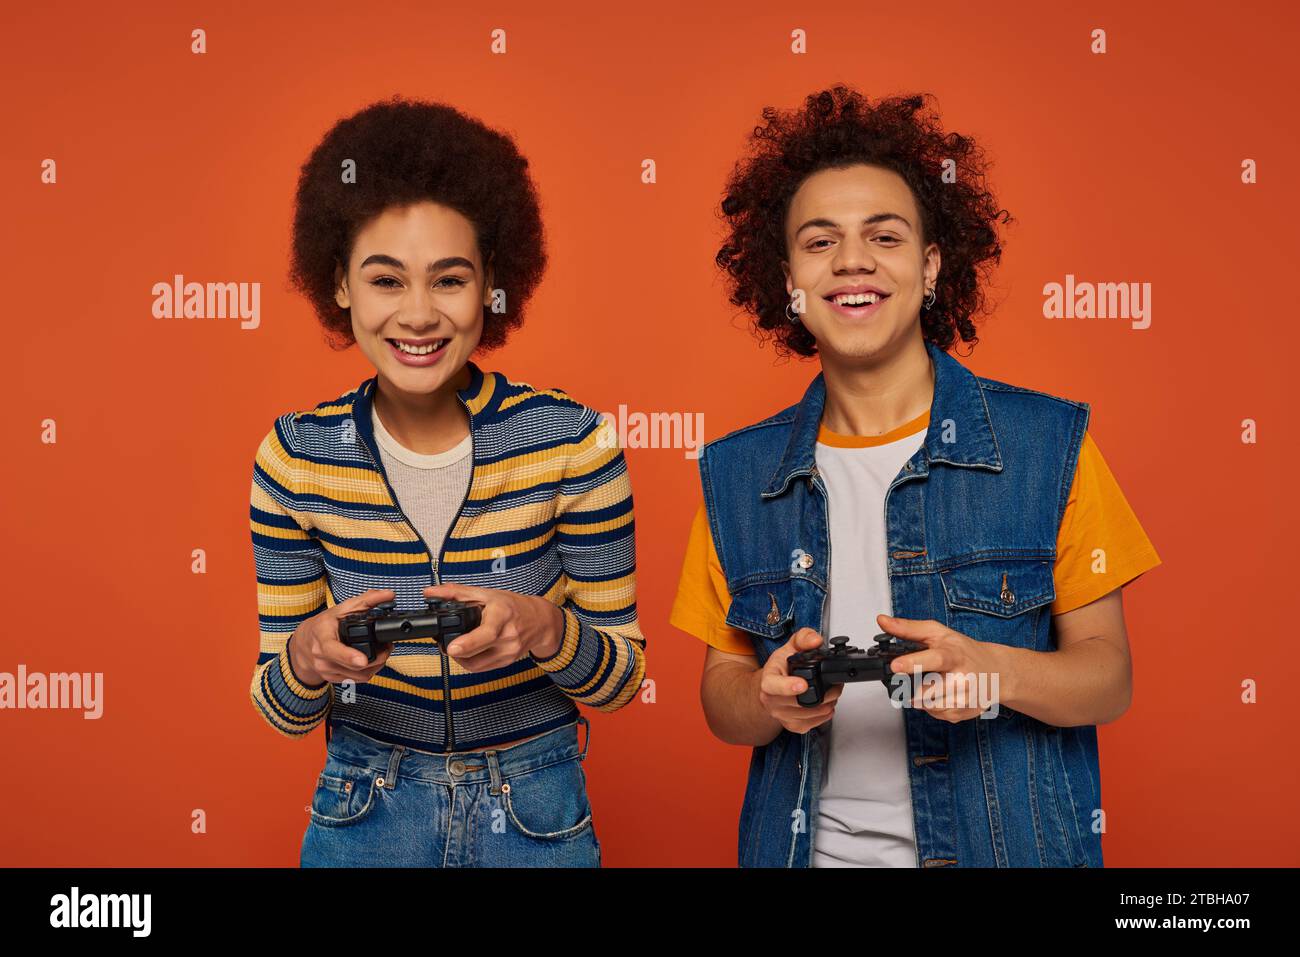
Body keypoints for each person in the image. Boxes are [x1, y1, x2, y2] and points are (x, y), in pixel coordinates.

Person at [670, 86, 1161, 867]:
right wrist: (764, 697)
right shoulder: (737, 474)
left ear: (931, 266)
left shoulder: (1046, 446)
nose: (853, 260)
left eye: (885, 235)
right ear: (789, 280)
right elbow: (721, 695)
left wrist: (991, 669)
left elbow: (1108, 677)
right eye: (820, 240)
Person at [248, 96, 645, 867]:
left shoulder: (573, 442)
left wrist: (543, 627)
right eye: (387, 280)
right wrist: (306, 655)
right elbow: (279, 706)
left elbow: (622, 679)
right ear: (340, 285)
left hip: (535, 809)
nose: (420, 315)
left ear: (492, 284)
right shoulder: (294, 457)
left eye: (450, 279)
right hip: (364, 809)